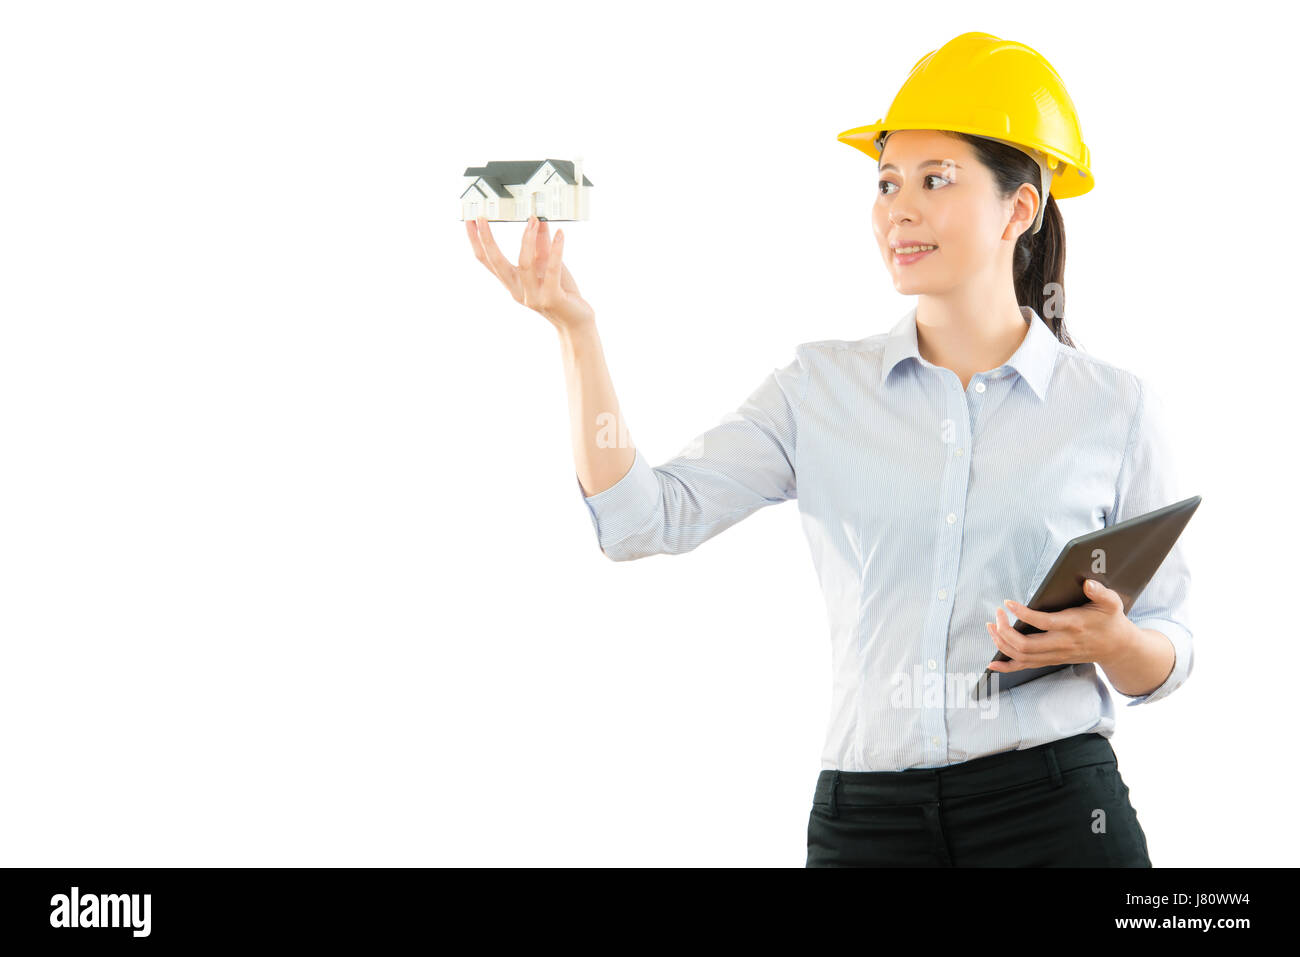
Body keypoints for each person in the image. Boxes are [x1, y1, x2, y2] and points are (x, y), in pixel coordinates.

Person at [464, 31, 1193, 867]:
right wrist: (575, 330)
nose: (899, 210)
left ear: (1019, 207)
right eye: (886, 183)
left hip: (1058, 814)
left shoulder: (1114, 409)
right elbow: (640, 519)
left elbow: (1169, 644)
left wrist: (1116, 645)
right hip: (868, 821)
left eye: (934, 180)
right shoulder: (819, 391)